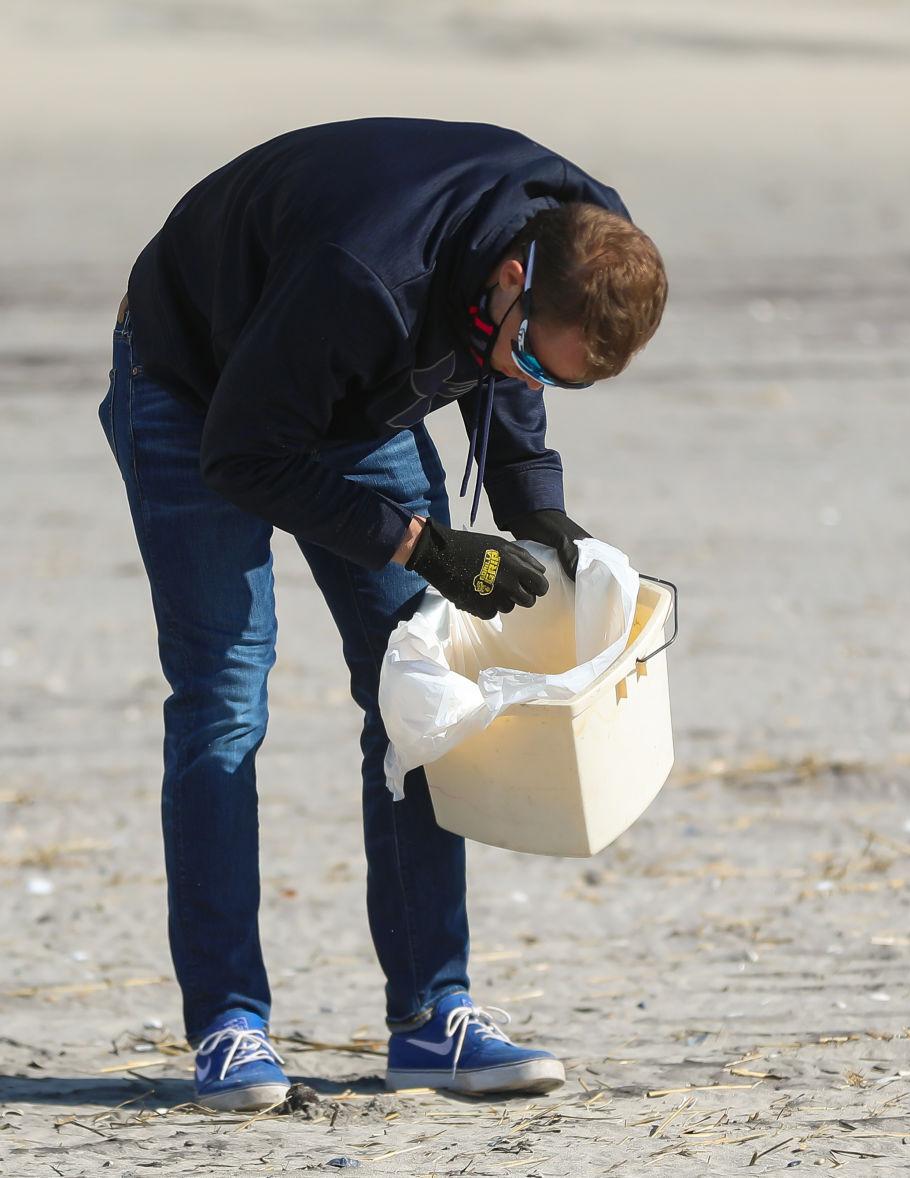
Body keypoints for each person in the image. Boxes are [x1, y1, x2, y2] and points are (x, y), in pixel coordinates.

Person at [99, 118, 667, 1111]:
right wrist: (427, 546)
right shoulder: (363, 276)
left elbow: (506, 368)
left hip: (355, 383)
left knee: (419, 693)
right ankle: (229, 1024)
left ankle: (432, 1014)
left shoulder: (583, 237)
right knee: (224, 698)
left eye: (559, 380)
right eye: (535, 360)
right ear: (510, 280)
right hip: (196, 384)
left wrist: (533, 500)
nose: (531, 380)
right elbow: (243, 454)